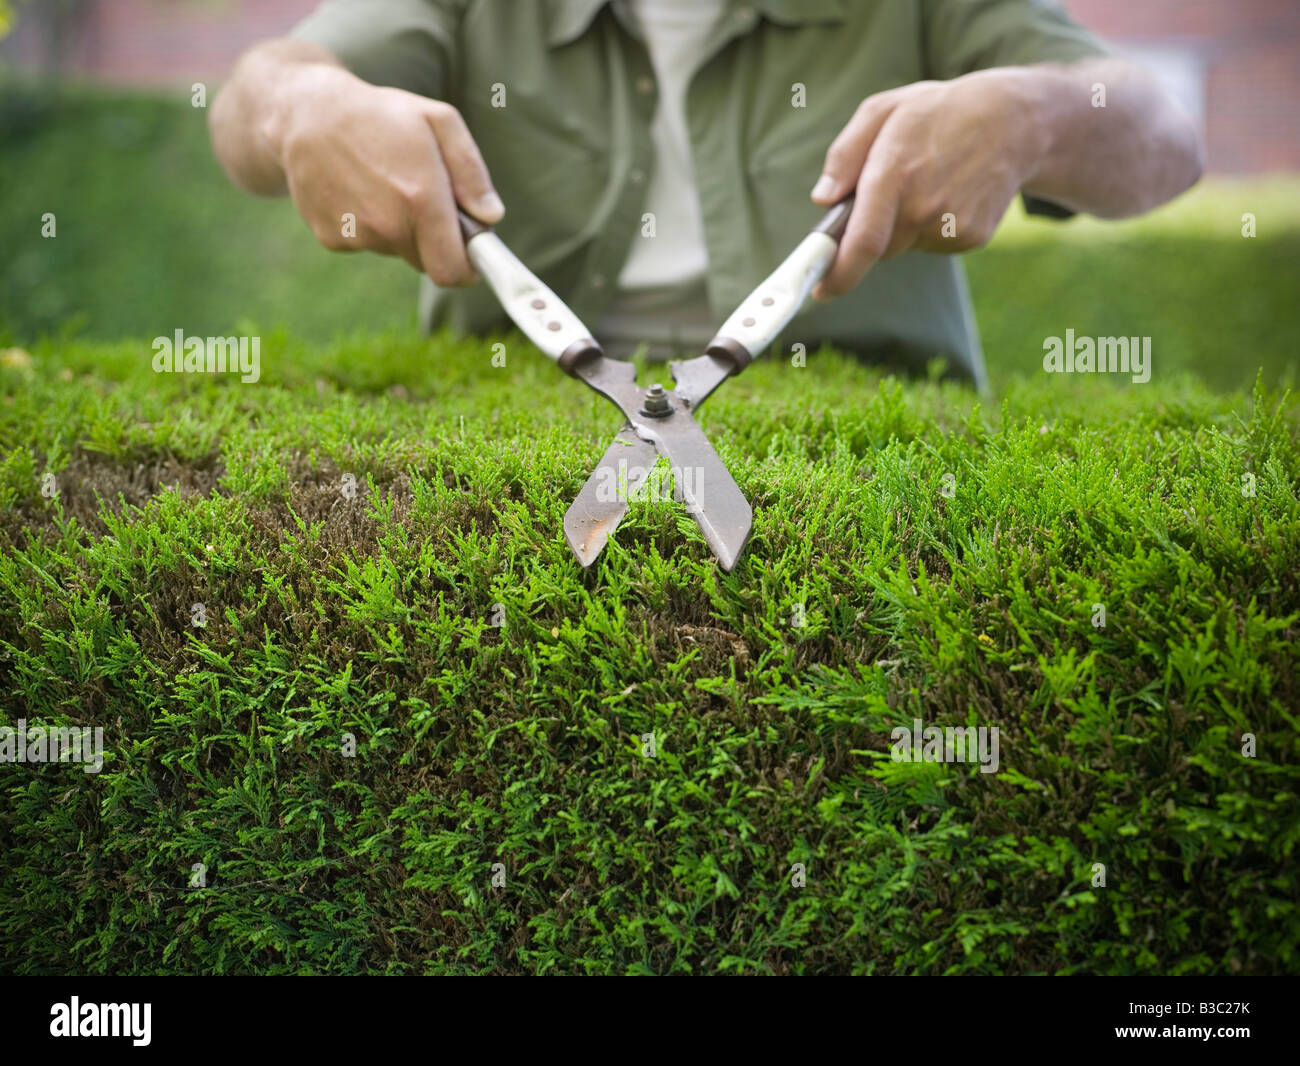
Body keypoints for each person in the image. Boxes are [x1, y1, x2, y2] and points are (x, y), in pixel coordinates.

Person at [210, 0, 1202, 389]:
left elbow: (1166, 137)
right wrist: (307, 108)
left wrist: (1031, 116)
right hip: (495, 424)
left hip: (879, 434)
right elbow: (253, 96)